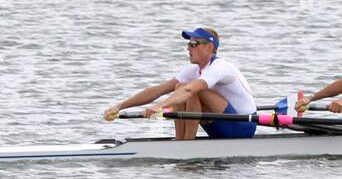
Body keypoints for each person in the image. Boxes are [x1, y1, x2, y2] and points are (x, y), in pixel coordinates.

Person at [102, 28, 258, 140]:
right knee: (179, 87)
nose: (188, 48)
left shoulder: (220, 67)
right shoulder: (192, 70)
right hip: (220, 125)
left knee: (191, 89)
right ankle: (181, 141)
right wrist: (120, 106)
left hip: (242, 126)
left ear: (209, 47)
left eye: (194, 44)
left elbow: (190, 90)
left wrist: (160, 106)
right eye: (189, 44)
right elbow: (157, 91)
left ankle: (186, 144)